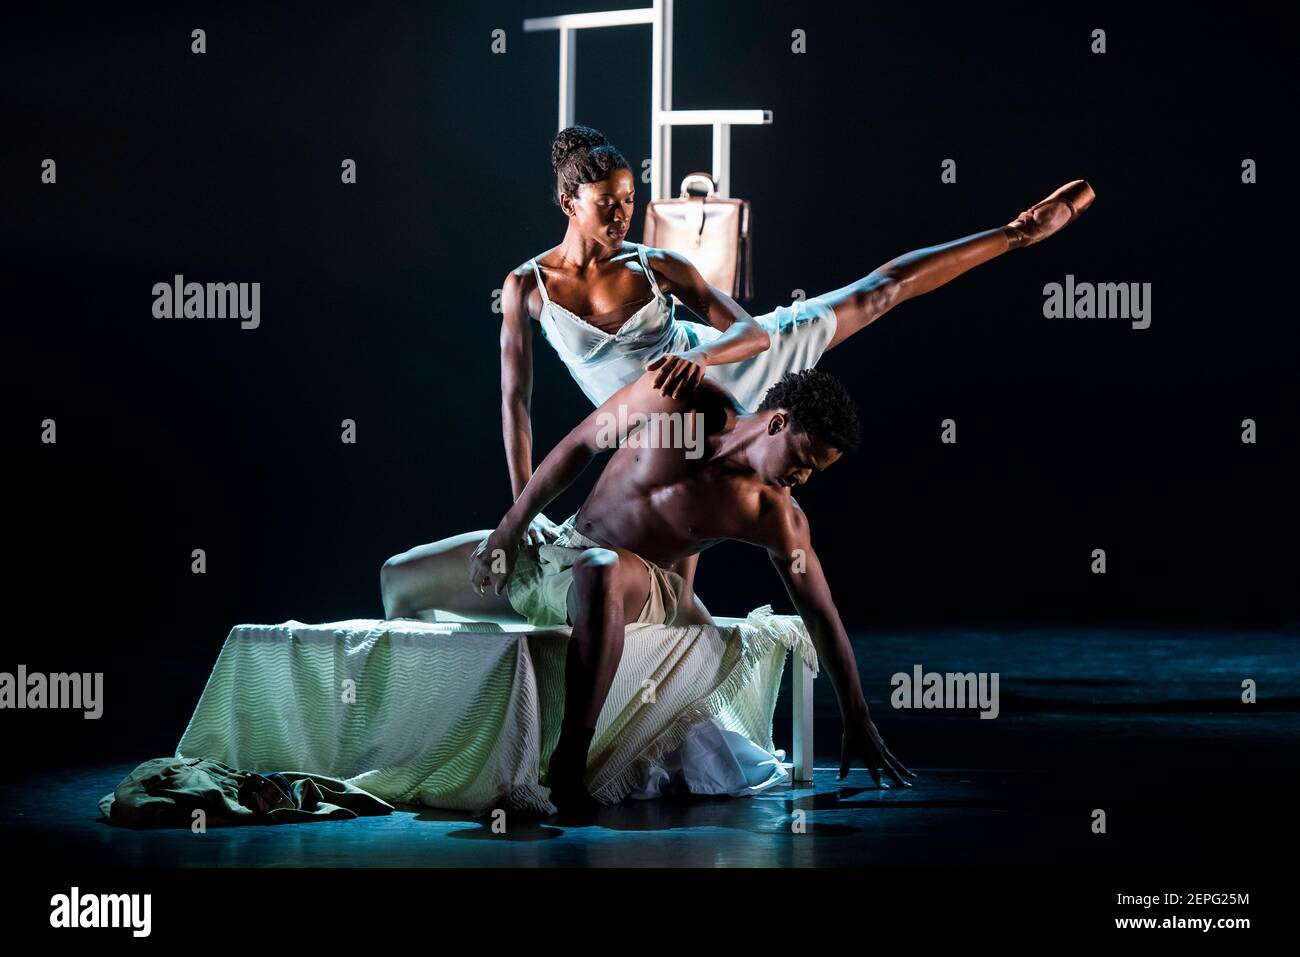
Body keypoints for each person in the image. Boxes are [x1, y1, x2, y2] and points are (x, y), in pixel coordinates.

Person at [501, 124, 1095, 610]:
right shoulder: (526, 287)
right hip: (654, 413)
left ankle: (1017, 234)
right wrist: (520, 507)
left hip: (728, 365)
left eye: (631, 200)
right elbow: (515, 402)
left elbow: (751, 331)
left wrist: (698, 354)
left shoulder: (656, 263)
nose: (623, 215)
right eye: (608, 205)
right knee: (678, 578)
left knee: (873, 295)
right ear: (569, 203)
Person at [381, 367, 917, 811]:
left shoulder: (775, 514)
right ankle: (401, 734)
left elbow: (819, 611)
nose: (802, 480)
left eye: (814, 473)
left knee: (602, 568)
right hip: (558, 548)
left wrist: (857, 712)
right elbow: (579, 444)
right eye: (802, 462)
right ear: (777, 422)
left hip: (639, 581)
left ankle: (569, 765)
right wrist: (511, 527)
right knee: (398, 577)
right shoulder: (679, 399)